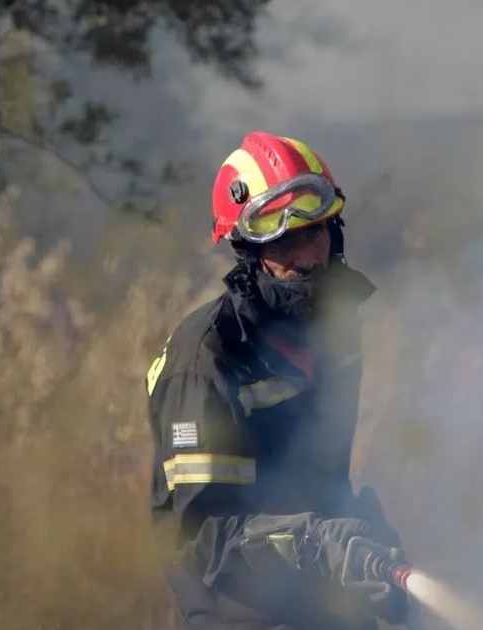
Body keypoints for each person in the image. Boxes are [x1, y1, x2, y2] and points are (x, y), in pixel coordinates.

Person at [145, 130, 411, 629]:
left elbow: (320, 478)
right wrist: (315, 542)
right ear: (246, 246)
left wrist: (366, 541)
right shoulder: (207, 358)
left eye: (314, 233)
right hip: (240, 607)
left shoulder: (335, 332)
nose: (306, 257)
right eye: (284, 240)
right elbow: (204, 536)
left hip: (321, 593)